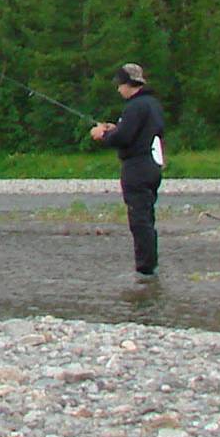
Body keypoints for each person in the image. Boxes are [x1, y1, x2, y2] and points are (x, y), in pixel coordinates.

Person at [90, 63, 164, 277]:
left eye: (119, 84)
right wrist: (116, 128)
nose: (118, 89)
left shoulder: (135, 106)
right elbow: (141, 132)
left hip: (137, 168)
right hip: (152, 166)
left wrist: (102, 135)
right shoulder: (152, 104)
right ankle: (149, 266)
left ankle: (145, 269)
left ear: (128, 84)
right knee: (147, 216)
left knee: (139, 219)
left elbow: (124, 138)